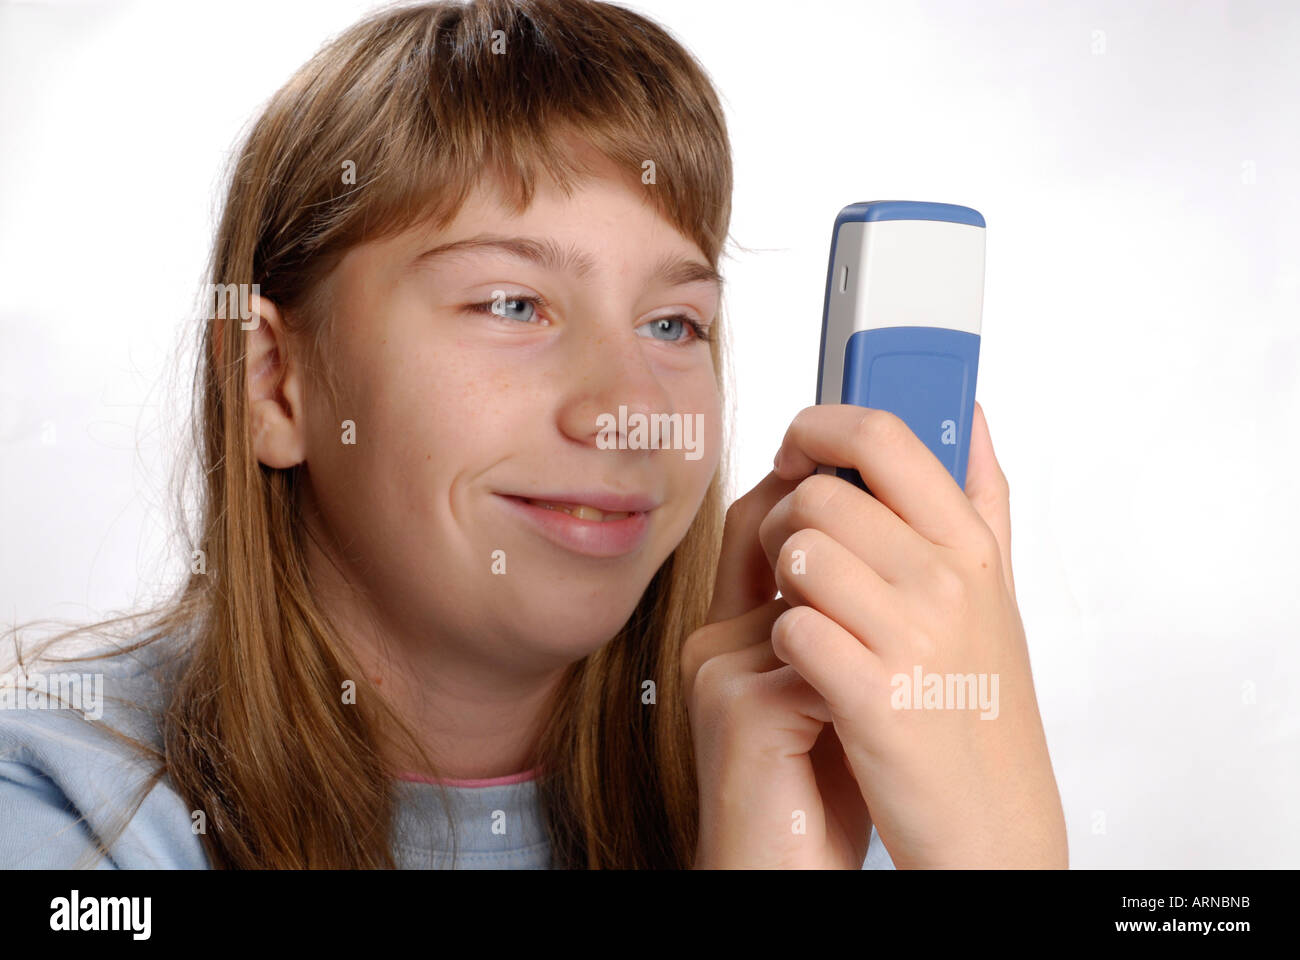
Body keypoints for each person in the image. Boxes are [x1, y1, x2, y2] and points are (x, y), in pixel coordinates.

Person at [0, 0, 1065, 870]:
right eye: (512, 304)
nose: (619, 411)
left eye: (670, 323)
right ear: (276, 384)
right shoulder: (63, 820)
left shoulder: (820, 785)